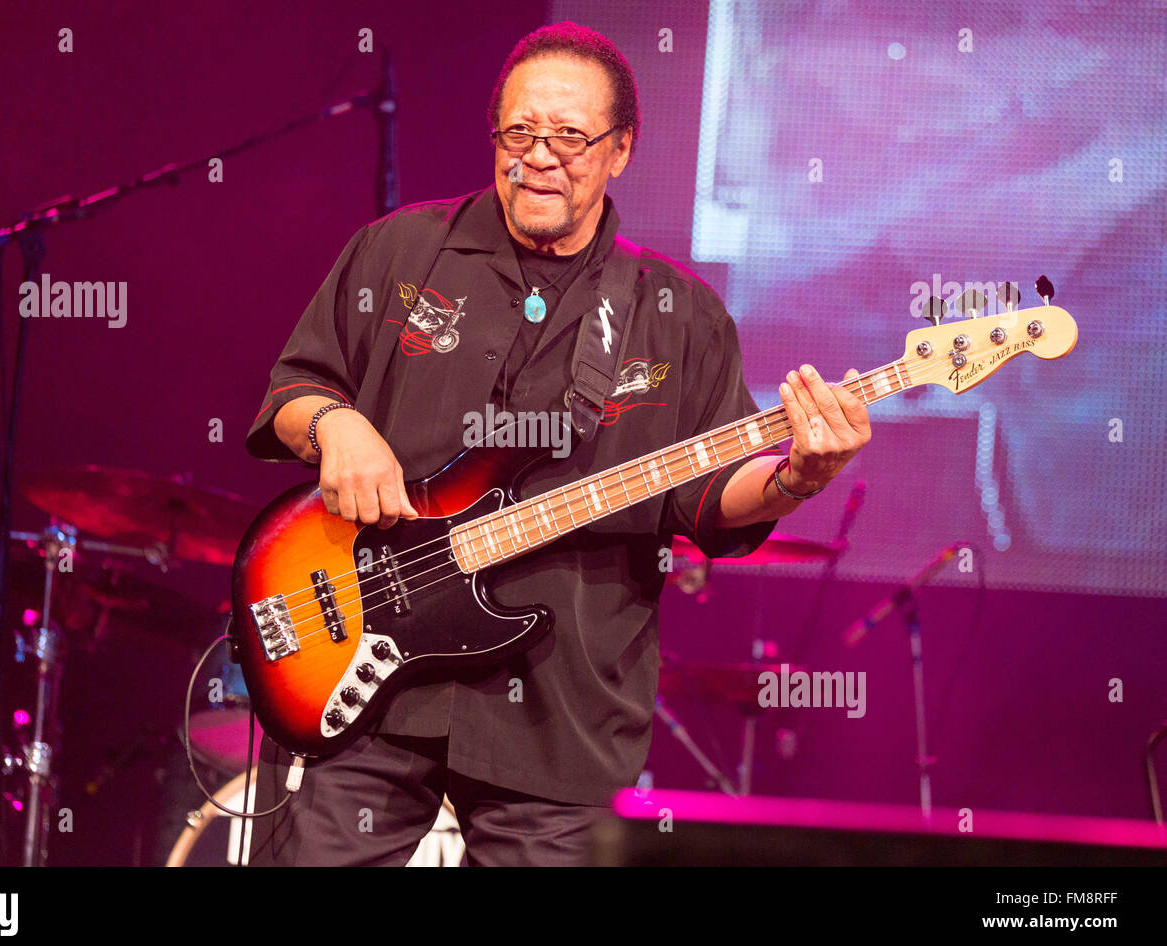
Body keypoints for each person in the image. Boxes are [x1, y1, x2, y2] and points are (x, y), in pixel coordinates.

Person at [243, 22, 871, 866]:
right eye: (519, 132)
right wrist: (335, 424)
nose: (539, 156)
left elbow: (711, 499)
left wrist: (799, 475)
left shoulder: (677, 315)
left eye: (571, 137)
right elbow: (293, 389)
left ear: (621, 151)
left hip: (562, 719)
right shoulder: (400, 250)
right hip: (364, 682)